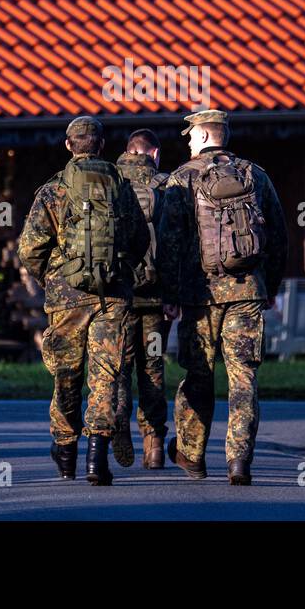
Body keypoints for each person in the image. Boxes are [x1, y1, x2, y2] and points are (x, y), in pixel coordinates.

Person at [158, 110, 287, 486]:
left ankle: (192, 455)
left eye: (189, 136)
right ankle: (239, 461)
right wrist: (270, 287)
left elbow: (169, 242)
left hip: (199, 297)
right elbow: (278, 236)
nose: (187, 142)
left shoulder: (182, 177)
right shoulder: (255, 175)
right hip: (248, 292)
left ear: (200, 137)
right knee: (243, 378)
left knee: (198, 375)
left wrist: (170, 294)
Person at [17, 115, 148, 485]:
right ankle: (97, 456)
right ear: (103, 145)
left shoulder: (54, 189)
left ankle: (65, 450)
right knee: (105, 375)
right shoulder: (120, 186)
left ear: (68, 145)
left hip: (66, 297)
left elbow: (29, 247)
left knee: (66, 374)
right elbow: (139, 240)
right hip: (113, 294)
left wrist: (52, 278)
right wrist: (119, 270)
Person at [113, 128, 171, 469]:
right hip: (155, 300)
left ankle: (118, 414)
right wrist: (173, 294)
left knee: (119, 366)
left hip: (118, 300)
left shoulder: (109, 182)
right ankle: (154, 446)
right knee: (152, 368)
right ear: (155, 154)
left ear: (127, 151)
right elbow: (177, 242)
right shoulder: (167, 185)